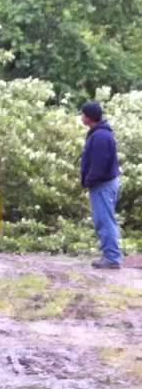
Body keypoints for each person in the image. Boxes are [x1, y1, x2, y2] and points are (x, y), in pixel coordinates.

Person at [80, 101, 122, 269]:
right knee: (103, 219)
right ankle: (110, 255)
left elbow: (99, 163)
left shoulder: (100, 136)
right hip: (103, 183)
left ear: (89, 117)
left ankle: (112, 257)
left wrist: (89, 180)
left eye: (83, 114)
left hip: (103, 185)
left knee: (104, 220)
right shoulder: (99, 133)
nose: (81, 117)